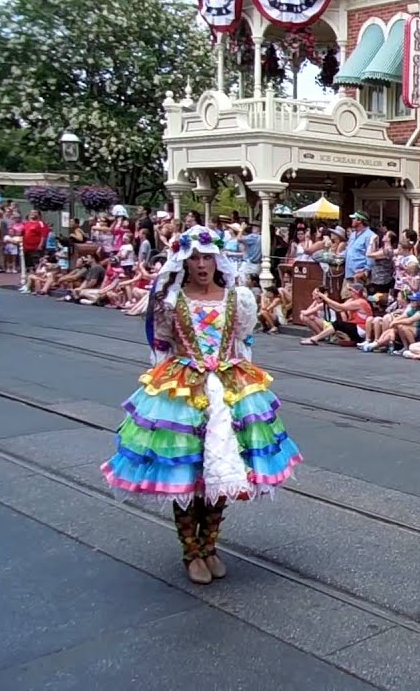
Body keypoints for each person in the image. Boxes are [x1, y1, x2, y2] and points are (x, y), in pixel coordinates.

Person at [100, 226, 302, 584]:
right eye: (194, 257)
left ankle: (210, 544)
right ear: (184, 261)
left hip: (226, 386)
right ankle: (190, 550)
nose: (202, 264)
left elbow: (242, 341)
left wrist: (240, 381)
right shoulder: (169, 299)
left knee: (221, 468)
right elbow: (161, 344)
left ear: (218, 259)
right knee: (185, 472)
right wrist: (162, 389)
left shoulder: (236, 298)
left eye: (208, 257)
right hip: (183, 389)